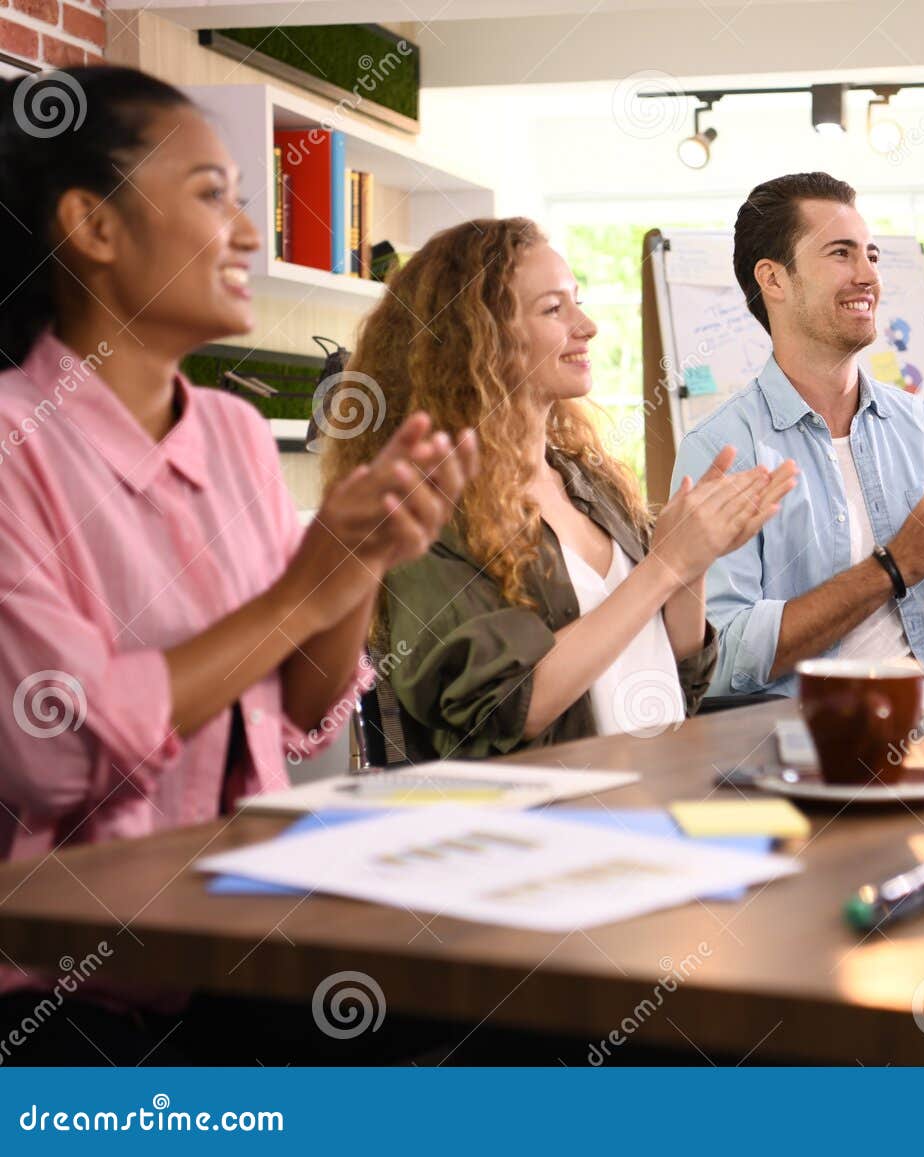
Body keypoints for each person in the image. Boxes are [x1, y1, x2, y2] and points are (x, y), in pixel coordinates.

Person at [0, 66, 475, 1061]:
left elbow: (299, 712)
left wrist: (355, 565)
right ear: (93, 225)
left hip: (240, 945)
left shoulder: (234, 432)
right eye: (213, 195)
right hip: (59, 994)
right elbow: (53, 753)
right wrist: (306, 581)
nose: (250, 236)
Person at [324, 218, 796, 757]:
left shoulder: (588, 480)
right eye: (554, 309)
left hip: (660, 795)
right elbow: (507, 707)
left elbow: (680, 681)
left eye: (577, 302)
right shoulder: (428, 507)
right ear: (477, 340)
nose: (588, 325)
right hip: (544, 826)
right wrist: (663, 567)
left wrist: (692, 563)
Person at [671, 172, 924, 697]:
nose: (868, 275)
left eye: (872, 255)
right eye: (841, 254)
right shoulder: (721, 449)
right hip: (809, 737)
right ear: (773, 280)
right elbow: (721, 657)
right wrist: (897, 564)